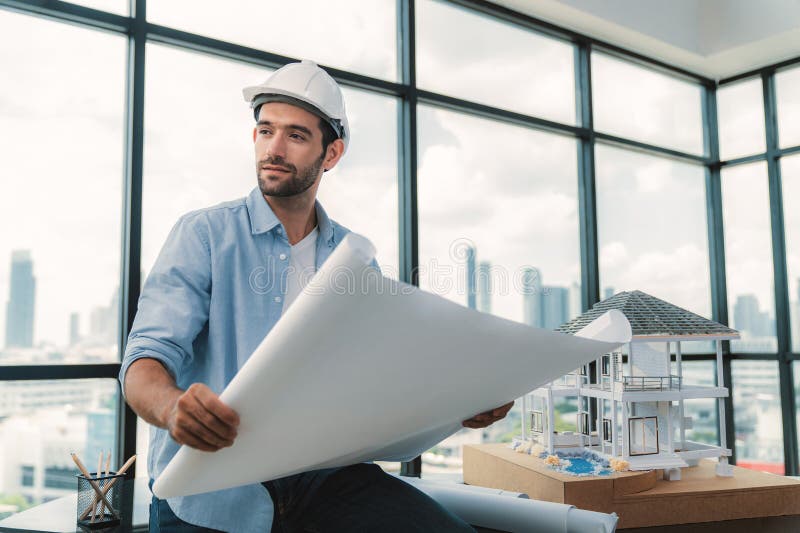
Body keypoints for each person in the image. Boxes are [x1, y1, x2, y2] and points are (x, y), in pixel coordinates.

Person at [119, 59, 514, 532]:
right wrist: (171, 408)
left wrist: (460, 406)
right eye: (266, 131)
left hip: (323, 480)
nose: (275, 148)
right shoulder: (204, 235)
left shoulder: (351, 258)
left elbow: (375, 381)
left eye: (296, 136)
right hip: (212, 491)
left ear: (331, 154)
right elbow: (144, 362)